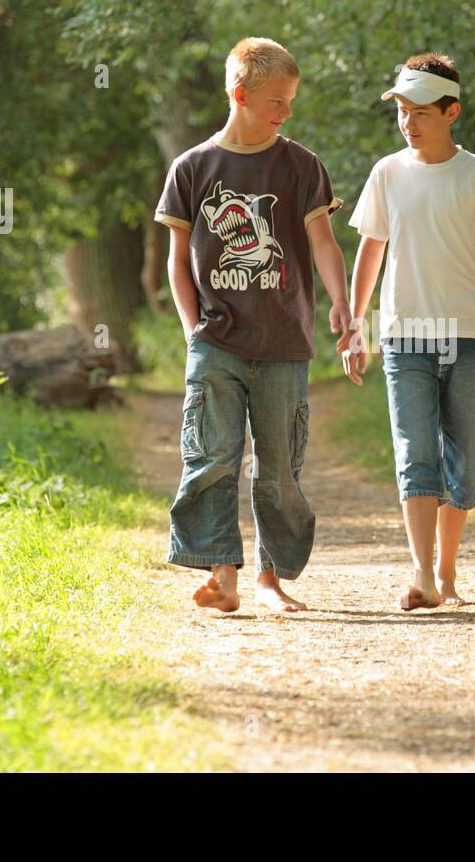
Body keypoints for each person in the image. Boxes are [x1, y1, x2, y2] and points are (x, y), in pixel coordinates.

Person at [155, 37, 350, 613]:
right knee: (213, 458)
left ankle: (271, 578)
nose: (287, 112)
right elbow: (177, 256)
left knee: (279, 467)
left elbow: (323, 242)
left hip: (285, 342)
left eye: (290, 100)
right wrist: (192, 325)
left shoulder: (300, 165)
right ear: (240, 94)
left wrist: (342, 305)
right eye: (277, 101)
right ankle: (224, 575)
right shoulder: (192, 167)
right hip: (216, 341)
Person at [342, 52, 475, 610]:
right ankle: (421, 574)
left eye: (420, 110)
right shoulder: (387, 173)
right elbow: (369, 250)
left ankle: (447, 573)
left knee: (461, 459)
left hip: (469, 335)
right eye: (401, 109)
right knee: (413, 451)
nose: (408, 121)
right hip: (404, 336)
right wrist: (357, 325)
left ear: (452, 112)